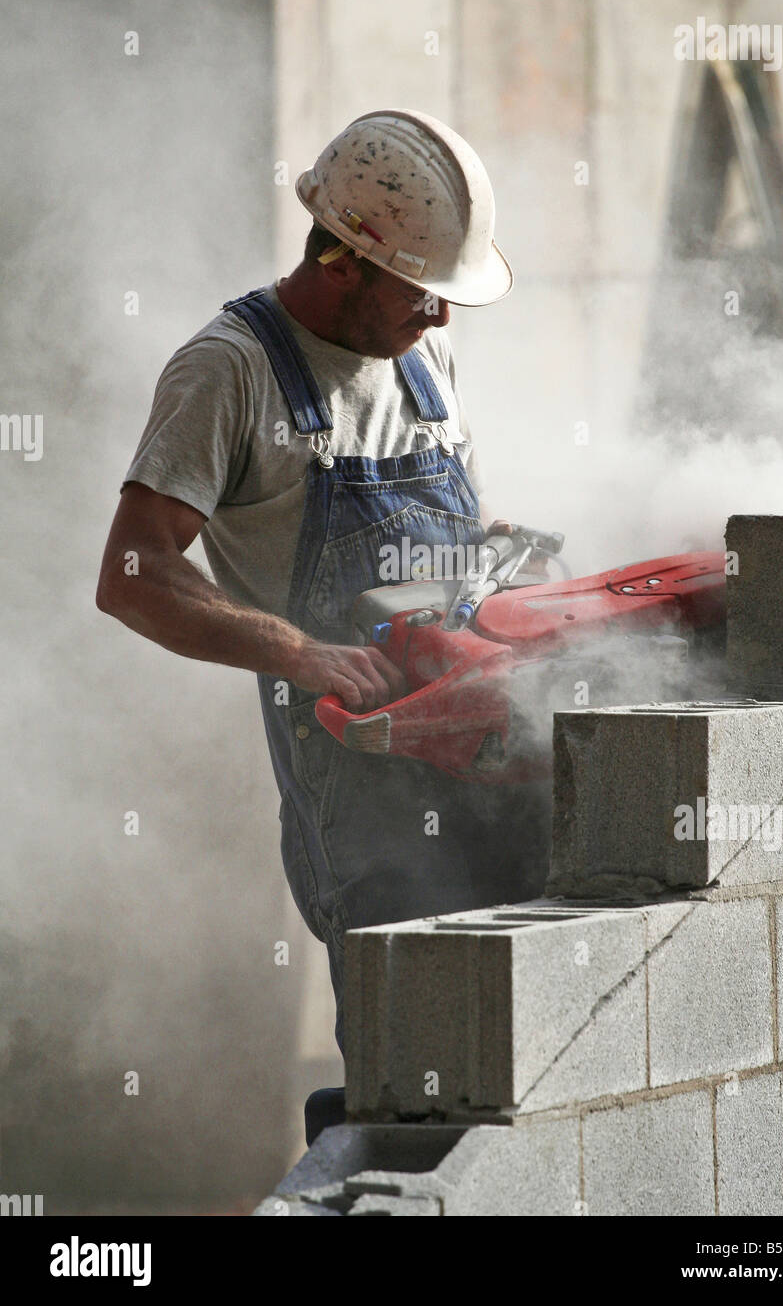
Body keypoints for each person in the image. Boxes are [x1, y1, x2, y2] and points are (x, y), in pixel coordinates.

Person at [96, 109, 551, 1142]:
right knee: (418, 1089)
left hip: (477, 756)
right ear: (342, 263)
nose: (438, 315)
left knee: (522, 1078)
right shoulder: (230, 370)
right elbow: (132, 575)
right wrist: (301, 652)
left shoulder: (423, 362)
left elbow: (446, 534)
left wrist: (494, 552)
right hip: (363, 800)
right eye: (420, 289)